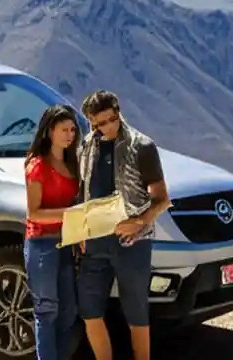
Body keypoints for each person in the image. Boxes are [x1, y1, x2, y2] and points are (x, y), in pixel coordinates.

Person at [76, 90, 171, 360]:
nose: (106, 128)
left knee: (136, 313)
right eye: (98, 124)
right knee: (89, 310)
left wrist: (139, 222)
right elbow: (83, 191)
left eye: (110, 120)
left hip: (132, 243)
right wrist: (80, 231)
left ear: (118, 112)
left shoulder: (142, 147)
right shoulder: (86, 147)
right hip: (95, 242)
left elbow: (162, 199)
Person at [24, 104, 83, 360]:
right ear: (50, 131)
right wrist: (71, 213)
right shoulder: (37, 166)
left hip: (67, 242)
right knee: (47, 310)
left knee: (69, 311)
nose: (70, 135)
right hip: (42, 244)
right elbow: (34, 213)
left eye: (73, 130)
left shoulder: (72, 164)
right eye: (64, 130)